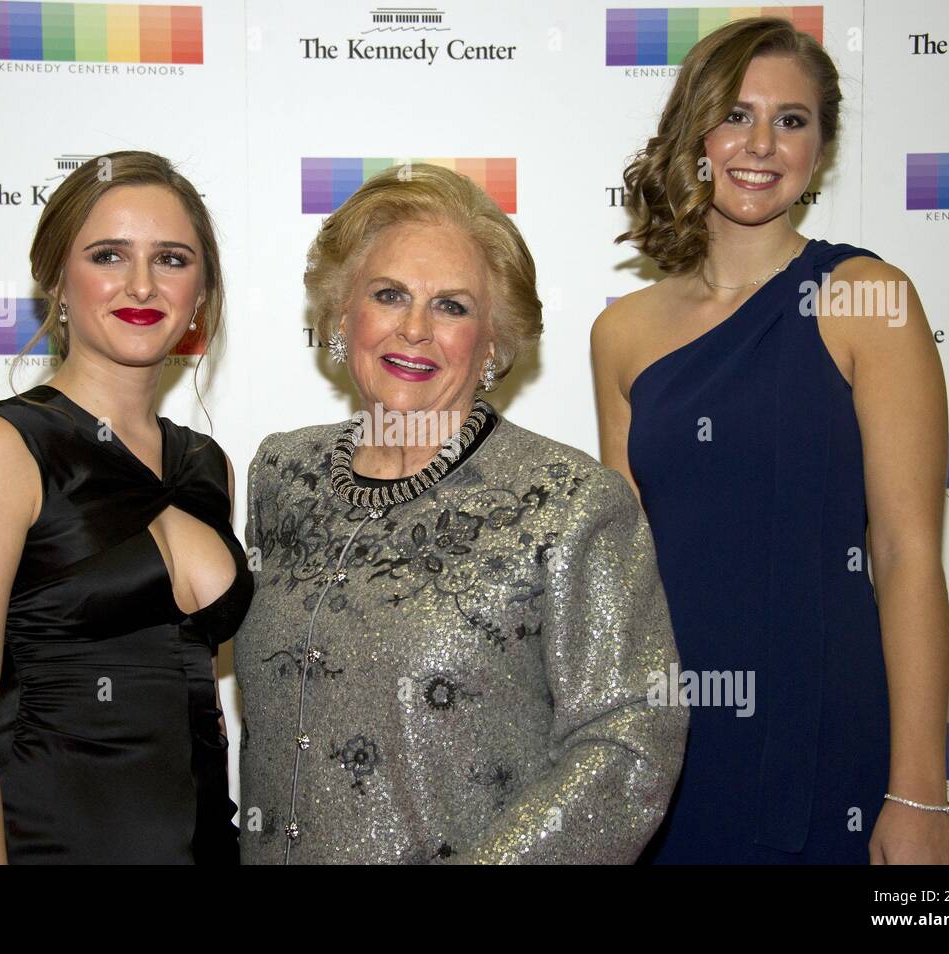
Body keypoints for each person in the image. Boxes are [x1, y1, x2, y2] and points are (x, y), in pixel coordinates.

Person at [235, 163, 686, 864]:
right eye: (389, 295)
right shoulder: (281, 475)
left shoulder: (569, 501)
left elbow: (629, 743)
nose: (415, 329)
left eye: (452, 306)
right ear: (341, 313)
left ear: (494, 341)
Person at [592, 17, 949, 863]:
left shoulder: (867, 298)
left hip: (824, 731)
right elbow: (628, 574)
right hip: (670, 741)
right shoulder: (624, 333)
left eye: (791, 120)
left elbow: (905, 552)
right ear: (694, 134)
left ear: (821, 147)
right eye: (736, 114)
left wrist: (920, 794)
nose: (761, 143)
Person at [0, 151, 251, 863]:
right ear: (58, 281)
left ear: (202, 292)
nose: (141, 284)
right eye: (108, 255)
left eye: (172, 259)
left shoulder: (205, 465)